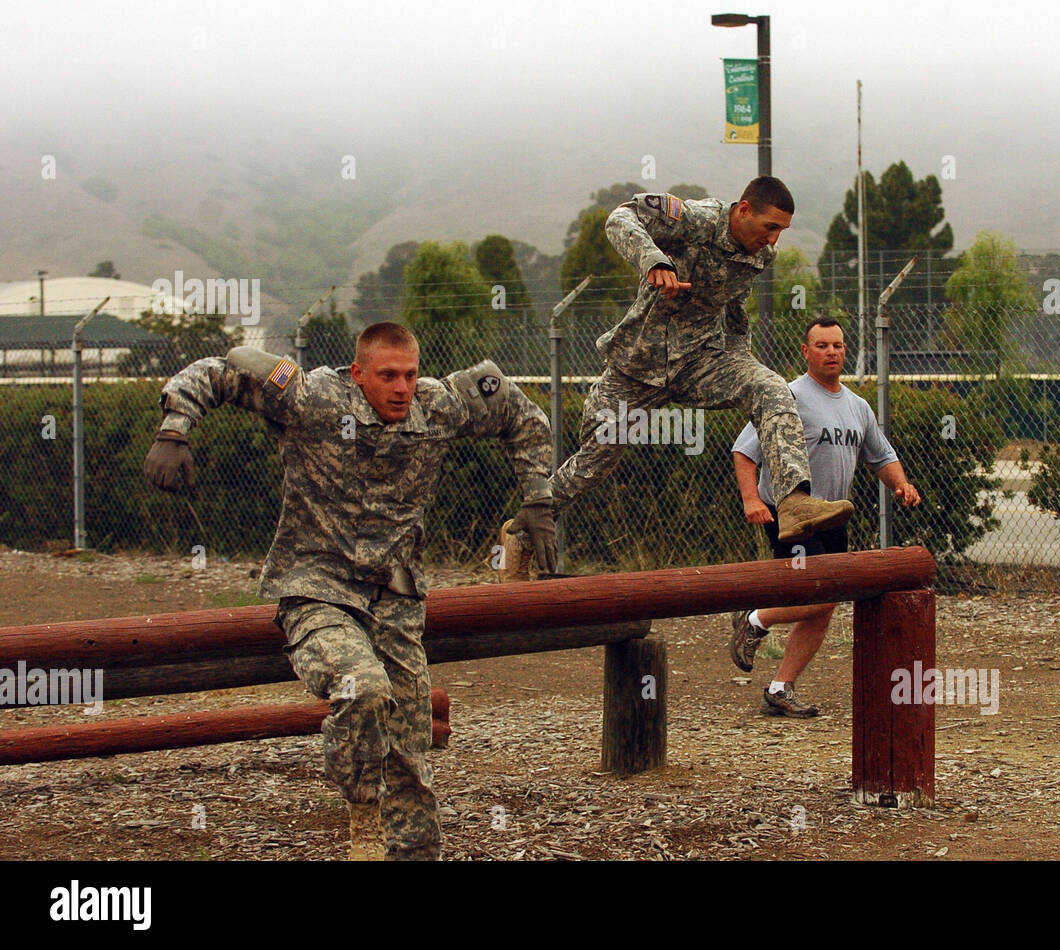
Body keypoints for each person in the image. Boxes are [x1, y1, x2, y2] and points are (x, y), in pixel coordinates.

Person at [143, 322, 556, 860]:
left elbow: (520, 414)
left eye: (409, 374)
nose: (402, 388)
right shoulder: (313, 399)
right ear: (359, 375)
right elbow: (223, 371)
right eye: (387, 376)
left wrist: (538, 499)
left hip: (395, 599)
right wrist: (175, 429)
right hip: (318, 591)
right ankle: (363, 817)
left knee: (412, 759)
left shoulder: (437, 406)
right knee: (363, 688)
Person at [497, 176, 852, 580]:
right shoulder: (694, 220)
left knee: (769, 387)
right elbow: (620, 217)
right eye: (770, 227)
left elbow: (734, 304)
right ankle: (523, 532)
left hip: (698, 362)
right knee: (595, 461)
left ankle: (793, 501)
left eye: (782, 232)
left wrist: (740, 354)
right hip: (638, 367)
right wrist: (653, 260)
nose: (773, 241)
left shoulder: (760, 256)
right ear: (744, 210)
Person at [729, 317, 921, 717]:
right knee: (821, 594)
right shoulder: (787, 398)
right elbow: (745, 451)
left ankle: (780, 686)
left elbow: (882, 456)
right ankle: (754, 618)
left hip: (831, 516)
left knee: (824, 604)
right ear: (805, 351)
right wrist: (751, 499)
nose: (831, 352)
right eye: (821, 345)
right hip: (791, 515)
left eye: (837, 345)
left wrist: (901, 484)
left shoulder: (857, 406)